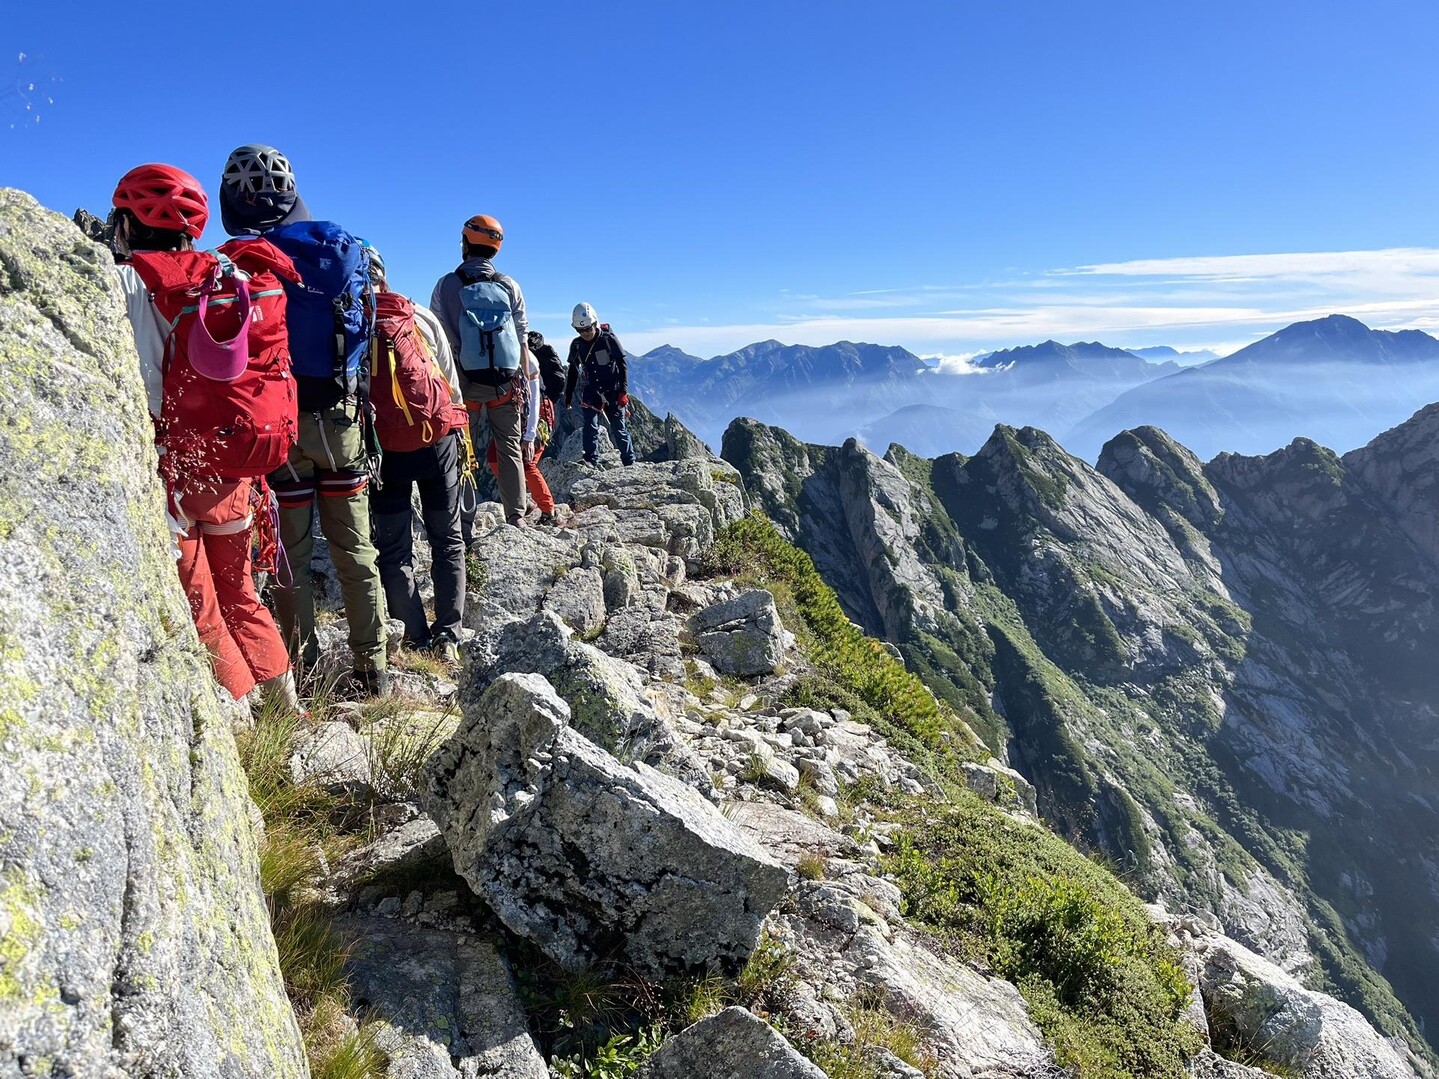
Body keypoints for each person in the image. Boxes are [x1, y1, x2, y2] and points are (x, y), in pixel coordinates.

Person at [109, 163, 299, 712]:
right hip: (235, 463)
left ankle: (237, 724)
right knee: (241, 591)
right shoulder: (227, 276)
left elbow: (147, 379)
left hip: (177, 465)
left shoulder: (133, 282)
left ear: (128, 220)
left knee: (200, 601)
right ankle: (285, 706)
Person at [219, 144, 391, 697]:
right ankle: (373, 667)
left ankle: (303, 664)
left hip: (280, 425)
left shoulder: (240, 261)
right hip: (340, 419)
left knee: (289, 556)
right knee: (354, 546)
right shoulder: (345, 247)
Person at [364, 244, 469, 662]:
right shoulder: (416, 315)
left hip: (384, 449)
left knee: (392, 549)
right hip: (436, 441)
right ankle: (449, 635)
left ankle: (414, 635)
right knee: (447, 540)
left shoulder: (347, 322)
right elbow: (449, 381)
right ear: (384, 276)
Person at [429, 214, 538, 533]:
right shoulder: (510, 285)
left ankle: (463, 521)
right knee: (509, 448)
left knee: (464, 451)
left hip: (464, 384)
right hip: (505, 383)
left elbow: (438, 338)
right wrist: (522, 384)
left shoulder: (446, 285)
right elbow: (521, 339)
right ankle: (516, 516)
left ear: (465, 243)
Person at [564, 303, 635, 467]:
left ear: (595, 323)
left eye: (588, 328)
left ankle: (629, 463)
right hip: (592, 391)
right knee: (590, 427)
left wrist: (623, 392)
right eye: (580, 330)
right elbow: (573, 372)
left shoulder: (608, 340)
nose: (585, 333)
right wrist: (568, 396)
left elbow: (622, 365)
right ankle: (591, 461)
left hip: (614, 390)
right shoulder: (576, 345)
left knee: (619, 428)